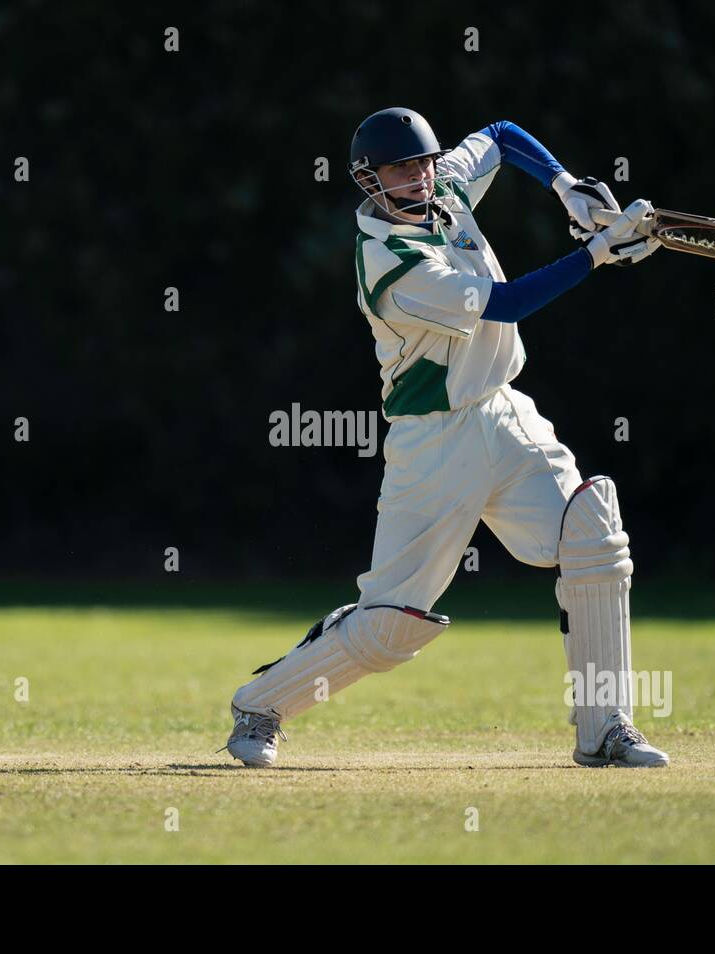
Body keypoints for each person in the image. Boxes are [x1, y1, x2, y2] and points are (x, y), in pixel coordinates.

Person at [222, 107, 669, 769]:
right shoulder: (390, 262)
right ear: (368, 180)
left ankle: (606, 728)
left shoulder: (444, 188)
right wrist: (597, 253)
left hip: (506, 413)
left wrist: (566, 186)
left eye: (425, 162)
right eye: (402, 167)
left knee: (594, 536)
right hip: (433, 443)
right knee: (389, 627)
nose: (420, 176)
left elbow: (501, 134)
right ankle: (260, 704)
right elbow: (506, 302)